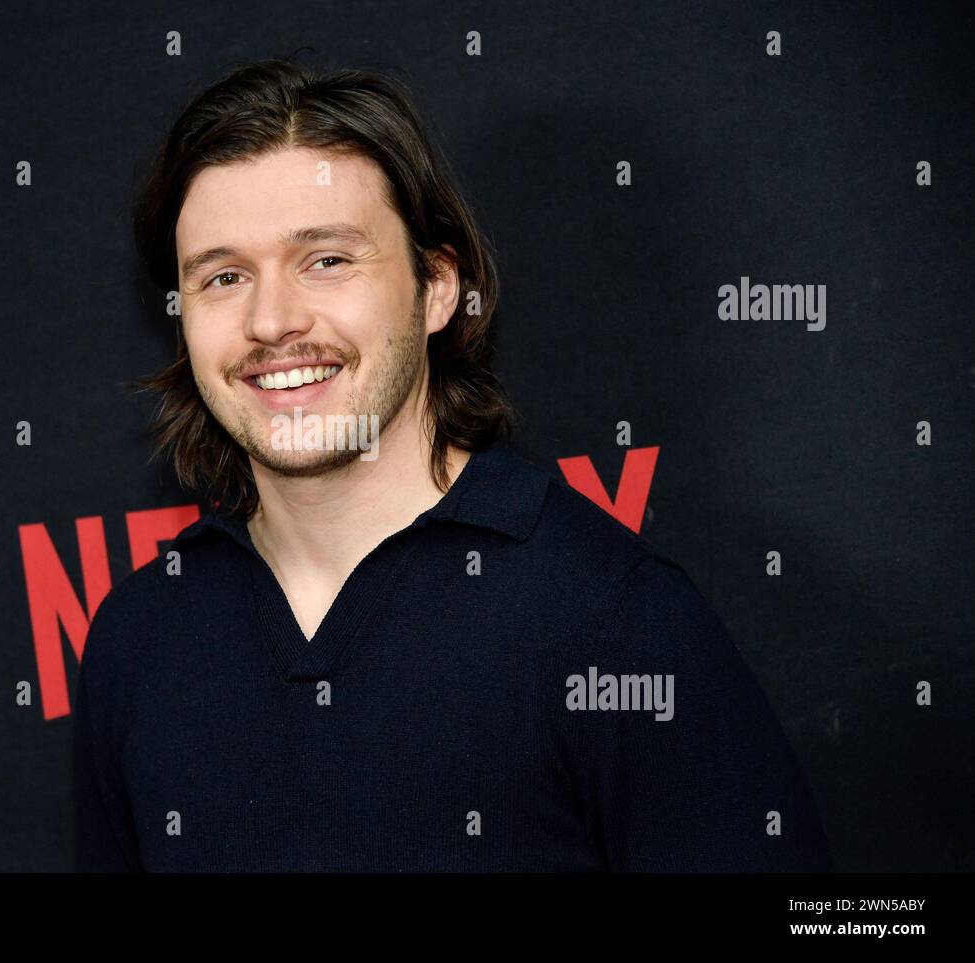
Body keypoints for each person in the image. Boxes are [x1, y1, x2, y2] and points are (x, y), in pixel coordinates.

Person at [73, 58, 833, 871]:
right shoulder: (138, 638)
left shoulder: (609, 616)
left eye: (326, 259)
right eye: (223, 277)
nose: (271, 321)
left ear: (437, 286)